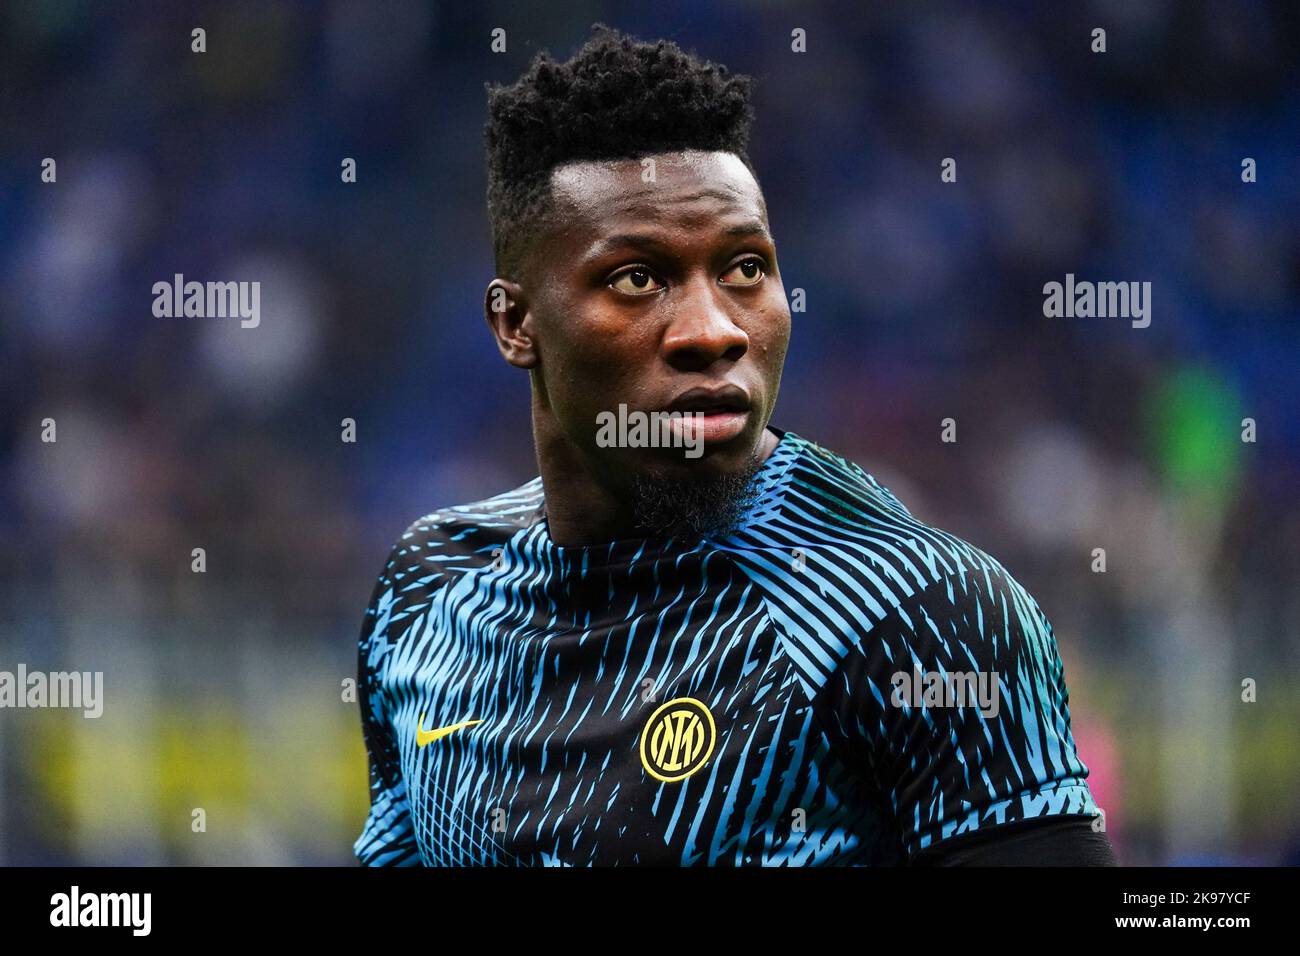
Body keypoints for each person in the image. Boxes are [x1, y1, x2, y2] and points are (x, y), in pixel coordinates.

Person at [354, 25, 1114, 866]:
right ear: (516, 322)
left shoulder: (918, 616)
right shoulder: (426, 595)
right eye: (637, 278)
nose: (713, 331)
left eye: (745, 269)